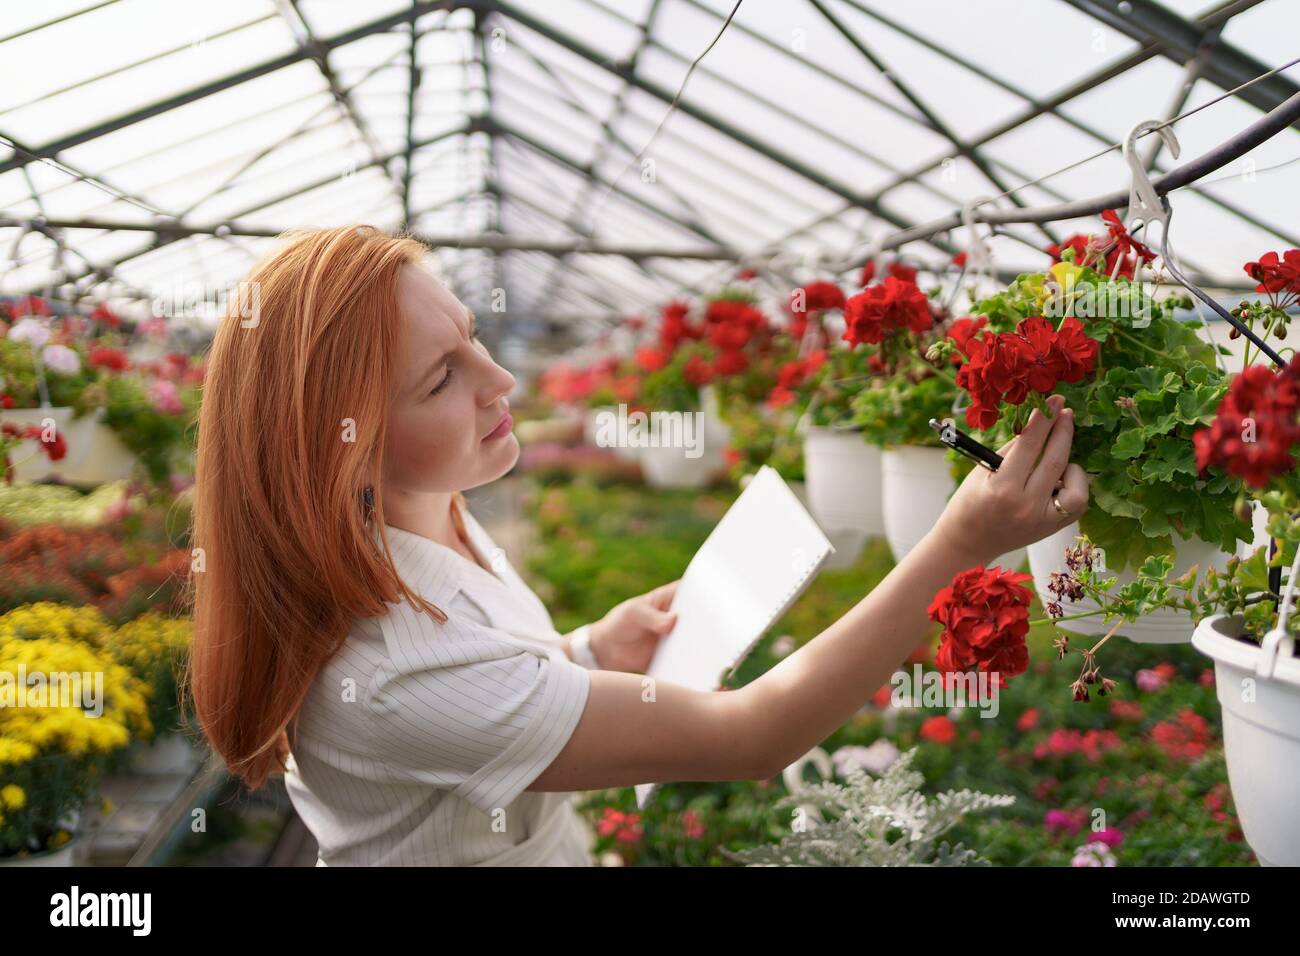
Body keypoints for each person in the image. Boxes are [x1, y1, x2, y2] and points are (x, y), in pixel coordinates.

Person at [186, 225, 1088, 866]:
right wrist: (962, 540)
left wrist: (585, 653)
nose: (500, 380)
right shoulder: (393, 665)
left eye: (472, 336)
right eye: (441, 379)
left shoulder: (428, 518)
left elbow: (486, 676)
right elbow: (753, 735)